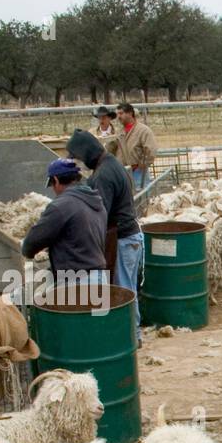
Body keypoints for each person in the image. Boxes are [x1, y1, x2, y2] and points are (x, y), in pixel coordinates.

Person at [67, 129, 144, 342]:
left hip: (122, 239)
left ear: (86, 153)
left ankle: (132, 335)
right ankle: (132, 333)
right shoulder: (110, 164)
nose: (77, 163)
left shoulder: (103, 175)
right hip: (128, 237)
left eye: (77, 157)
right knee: (126, 286)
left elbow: (100, 213)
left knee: (124, 290)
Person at [21, 157, 107, 288]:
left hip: (75, 281)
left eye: (52, 185)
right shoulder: (96, 200)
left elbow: (31, 243)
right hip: (99, 276)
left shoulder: (61, 206)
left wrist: (28, 250)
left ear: (55, 180)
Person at [116, 102, 157, 192]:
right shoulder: (119, 132)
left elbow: (150, 150)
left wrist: (141, 165)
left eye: (121, 113)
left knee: (141, 199)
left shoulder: (143, 131)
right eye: (117, 114)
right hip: (123, 173)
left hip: (138, 172)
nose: (118, 116)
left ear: (130, 113)